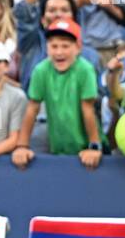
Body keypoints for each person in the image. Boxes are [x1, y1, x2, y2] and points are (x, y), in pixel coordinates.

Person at [13, 18, 103, 167]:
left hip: (87, 146)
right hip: (57, 147)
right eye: (54, 46)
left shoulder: (85, 70)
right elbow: (32, 108)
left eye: (65, 46)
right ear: (47, 48)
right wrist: (22, 146)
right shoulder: (41, 70)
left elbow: (88, 109)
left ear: (78, 47)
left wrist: (94, 146)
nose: (59, 52)